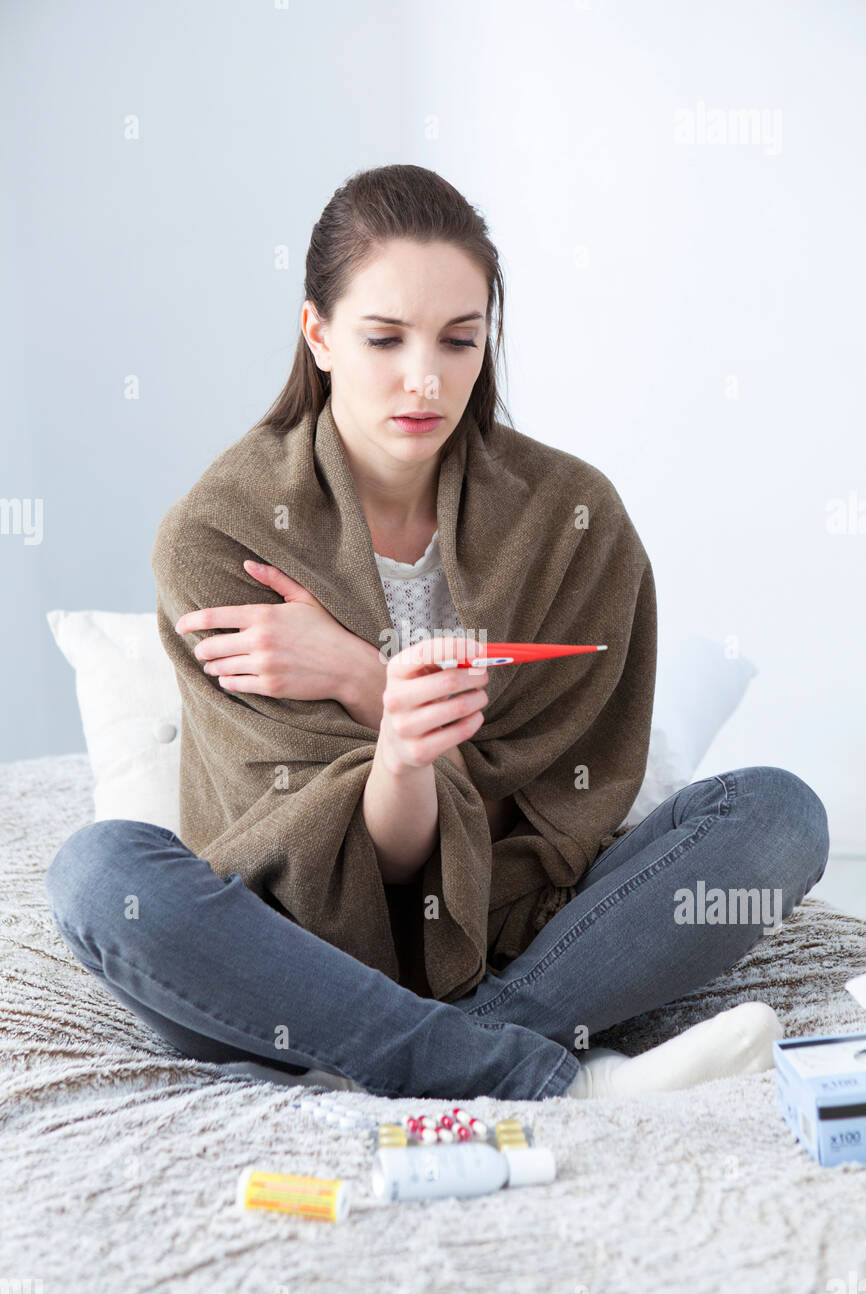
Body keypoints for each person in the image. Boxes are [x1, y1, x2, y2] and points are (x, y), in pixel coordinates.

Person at [45, 166, 830, 1102]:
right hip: (285, 958)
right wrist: (405, 753)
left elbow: (548, 815)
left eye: (460, 341)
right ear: (319, 334)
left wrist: (363, 681)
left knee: (780, 815)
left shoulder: (572, 517)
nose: (426, 378)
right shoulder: (219, 533)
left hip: (526, 931)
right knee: (99, 875)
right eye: (385, 338)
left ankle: (459, 1047)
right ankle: (542, 1074)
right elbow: (316, 853)